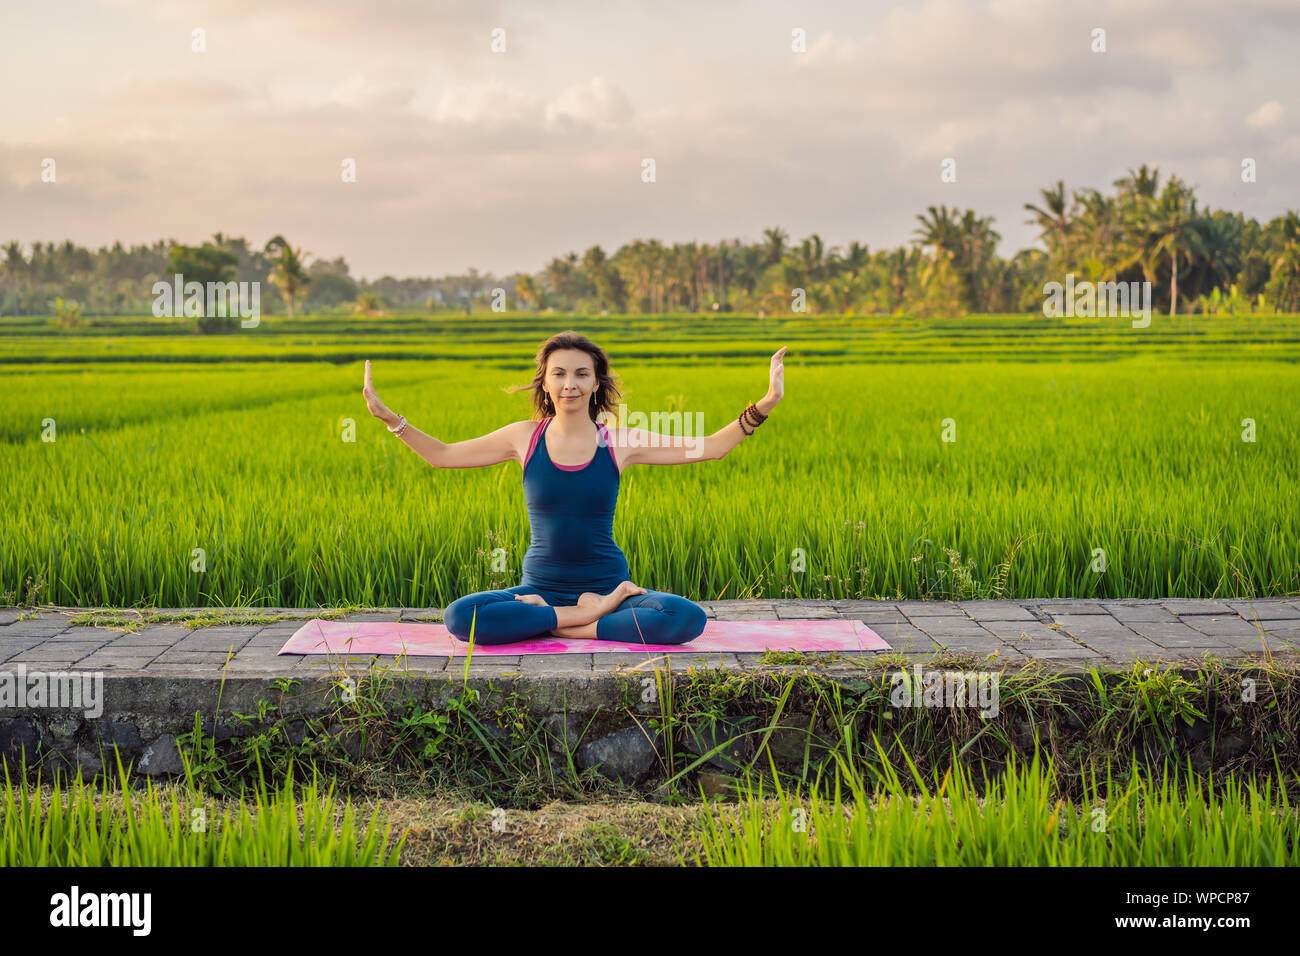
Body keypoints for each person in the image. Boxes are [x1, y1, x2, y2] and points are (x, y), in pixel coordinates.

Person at [362, 331, 785, 644]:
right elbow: (443, 455)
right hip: (537, 590)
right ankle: (583, 619)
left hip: (609, 588)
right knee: (461, 617)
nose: (570, 384)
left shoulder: (619, 440)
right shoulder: (523, 436)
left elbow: (710, 447)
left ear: (596, 383)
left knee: (683, 618)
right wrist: (390, 420)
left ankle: (572, 622)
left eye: (582, 374)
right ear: (544, 382)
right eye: (559, 374)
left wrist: (764, 404)